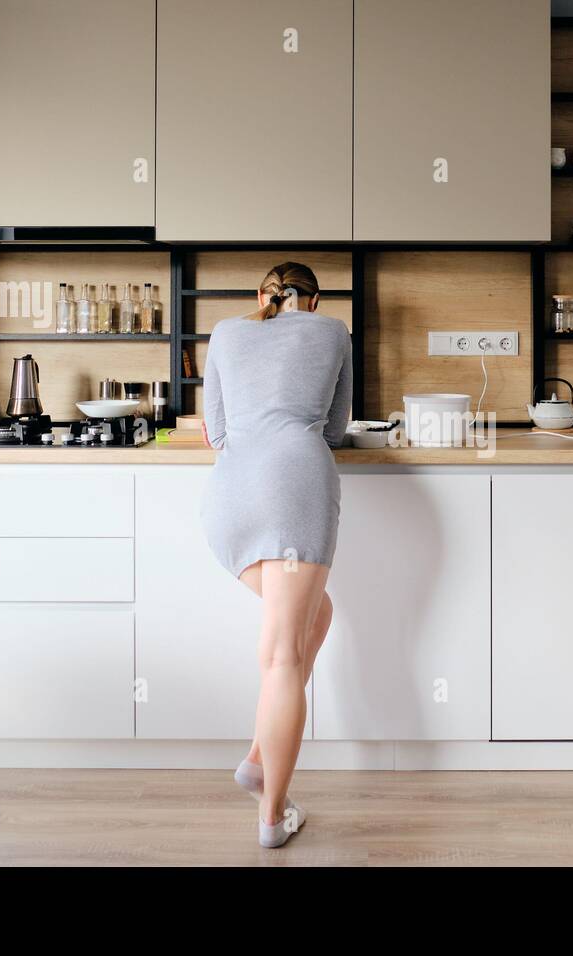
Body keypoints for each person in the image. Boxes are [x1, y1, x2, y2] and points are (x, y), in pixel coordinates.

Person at [200, 261, 352, 848]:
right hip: (292, 486)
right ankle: (272, 815)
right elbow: (333, 430)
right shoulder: (331, 330)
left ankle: (259, 758)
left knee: (318, 615)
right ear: (312, 302)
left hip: (229, 499)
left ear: (258, 296)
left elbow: (217, 434)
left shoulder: (224, 332)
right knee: (285, 655)